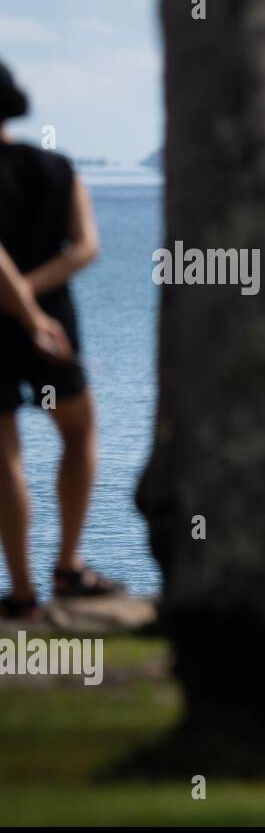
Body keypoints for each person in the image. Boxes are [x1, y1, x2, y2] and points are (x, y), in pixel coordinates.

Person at [0, 60, 122, 620]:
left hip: (19, 325)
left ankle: (23, 593)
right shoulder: (59, 168)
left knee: (5, 455)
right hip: (57, 325)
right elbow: (85, 247)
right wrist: (36, 304)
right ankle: (68, 567)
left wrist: (19, 306)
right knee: (78, 431)